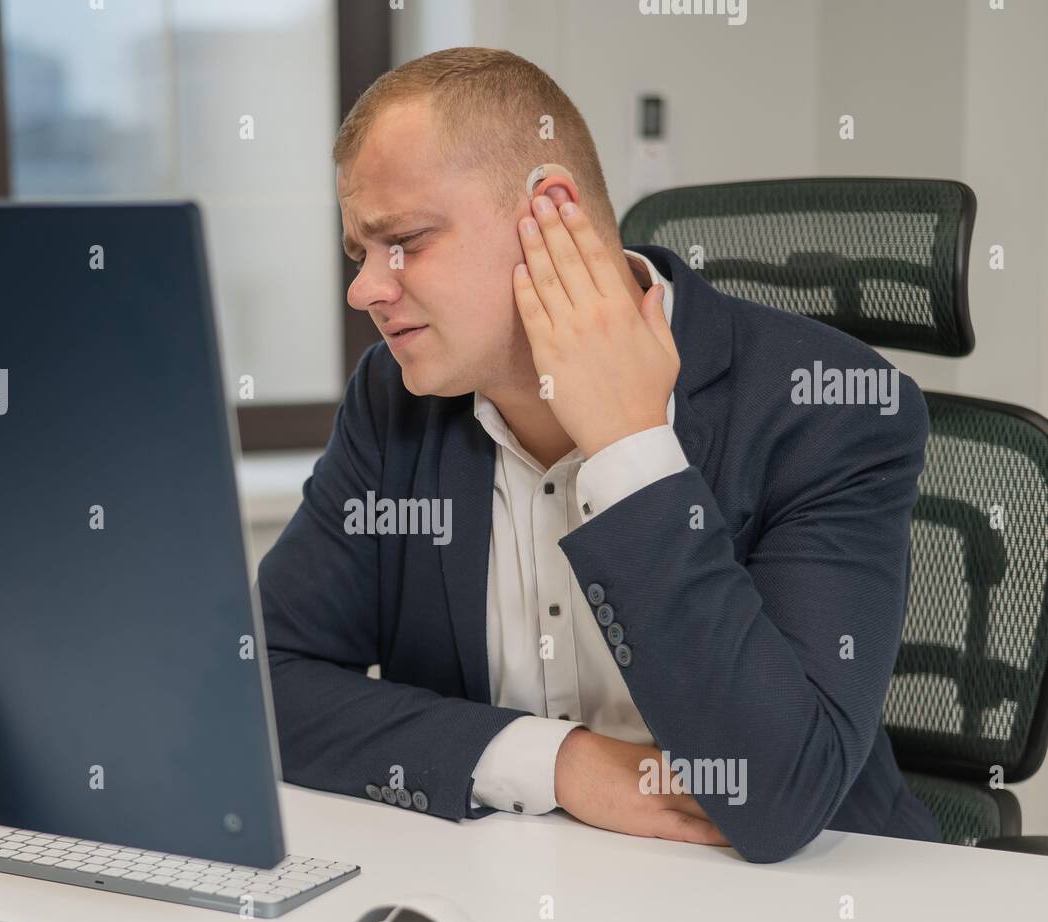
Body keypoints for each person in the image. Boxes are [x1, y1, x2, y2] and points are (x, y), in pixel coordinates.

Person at [256, 47, 941, 863]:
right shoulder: (393, 400)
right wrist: (560, 763)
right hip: (520, 893)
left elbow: (779, 794)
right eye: (358, 254)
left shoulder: (830, 411)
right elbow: (263, 683)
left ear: (550, 212)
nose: (365, 288)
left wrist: (629, 446)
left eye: (402, 240)